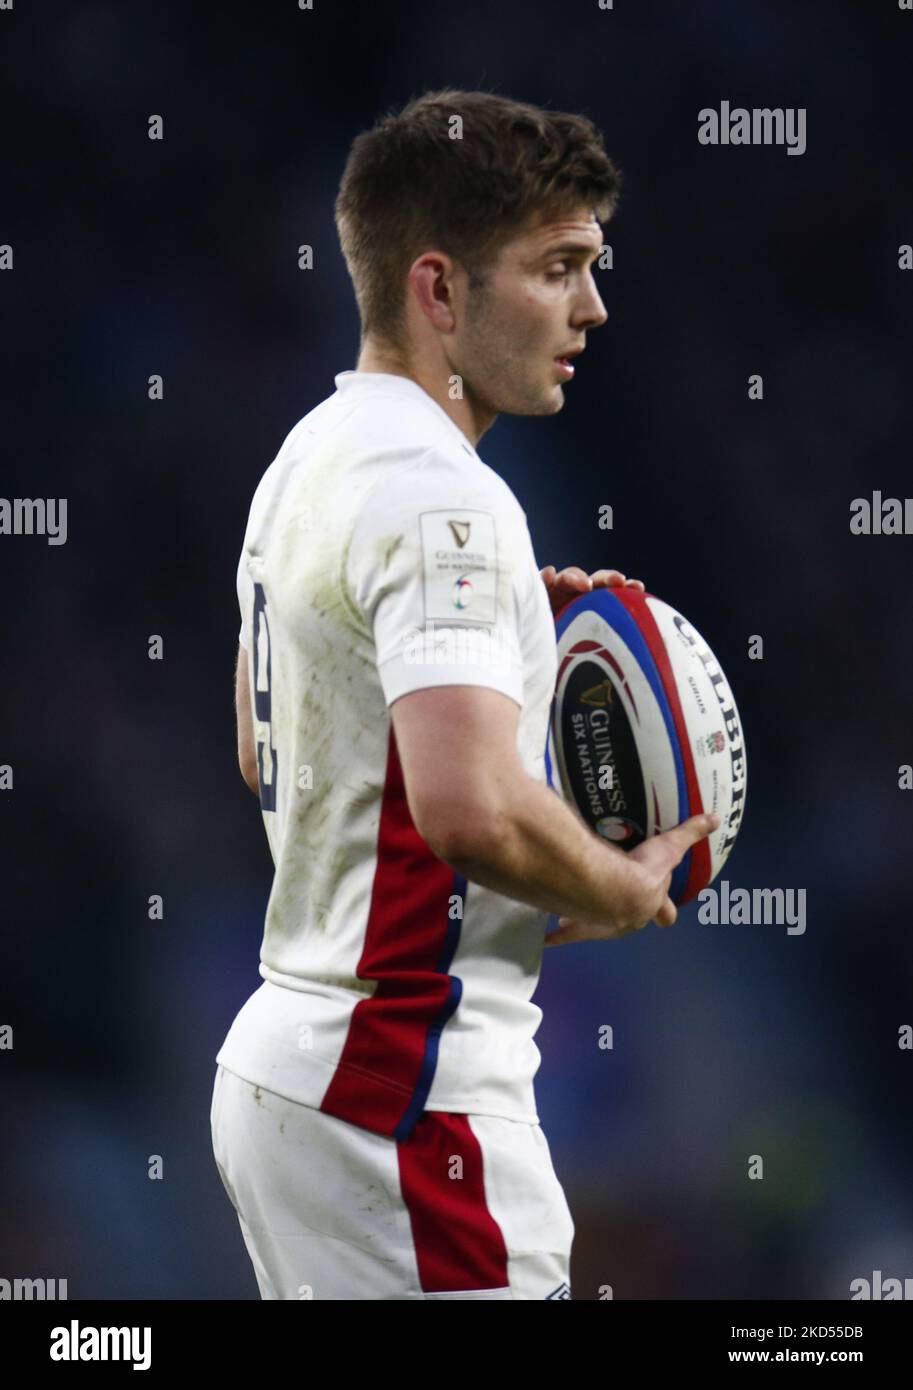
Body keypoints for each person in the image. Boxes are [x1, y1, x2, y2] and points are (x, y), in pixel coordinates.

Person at [210, 87, 717, 1301]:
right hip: (404, 1103)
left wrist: (501, 646)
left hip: (302, 1073)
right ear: (439, 290)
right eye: (557, 267)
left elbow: (264, 749)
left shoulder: (309, 457)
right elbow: (467, 812)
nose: (593, 305)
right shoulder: (451, 501)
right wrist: (622, 885)